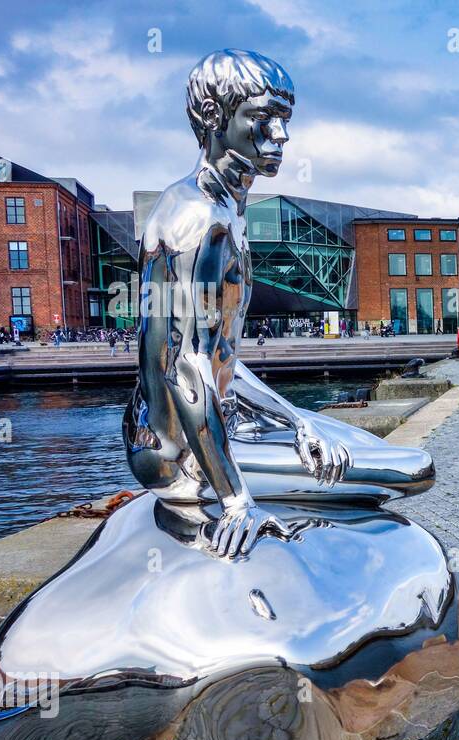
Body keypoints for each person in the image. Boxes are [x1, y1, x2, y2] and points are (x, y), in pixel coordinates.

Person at [124, 49, 433, 558]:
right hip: (175, 457)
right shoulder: (203, 221)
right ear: (212, 118)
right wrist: (237, 500)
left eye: (284, 120)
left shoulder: (217, 208)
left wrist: (295, 420)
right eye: (263, 118)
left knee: (357, 443)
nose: (281, 136)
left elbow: (220, 359)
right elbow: (186, 368)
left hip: (190, 426)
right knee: (413, 468)